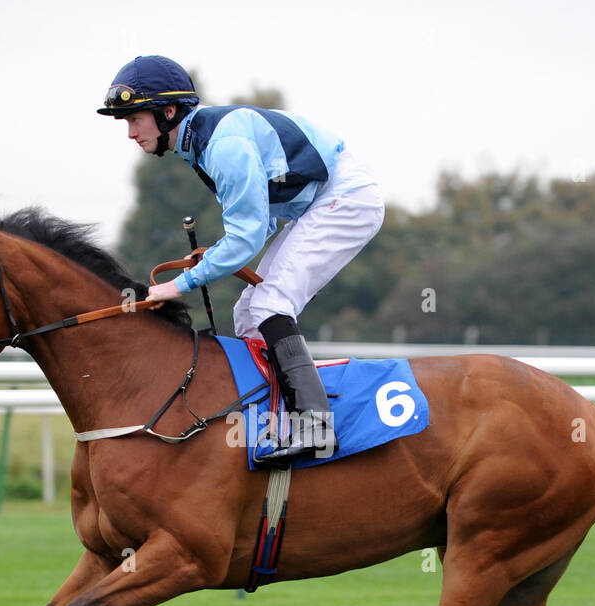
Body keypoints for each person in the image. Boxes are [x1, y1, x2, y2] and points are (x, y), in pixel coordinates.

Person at [98, 54, 385, 463]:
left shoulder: (222, 146)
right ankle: (272, 420)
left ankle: (315, 428)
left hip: (346, 198)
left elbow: (246, 238)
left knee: (270, 303)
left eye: (134, 119)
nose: (129, 132)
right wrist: (211, 257)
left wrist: (180, 284)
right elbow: (260, 221)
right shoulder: (200, 141)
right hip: (317, 203)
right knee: (249, 311)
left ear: (168, 112)